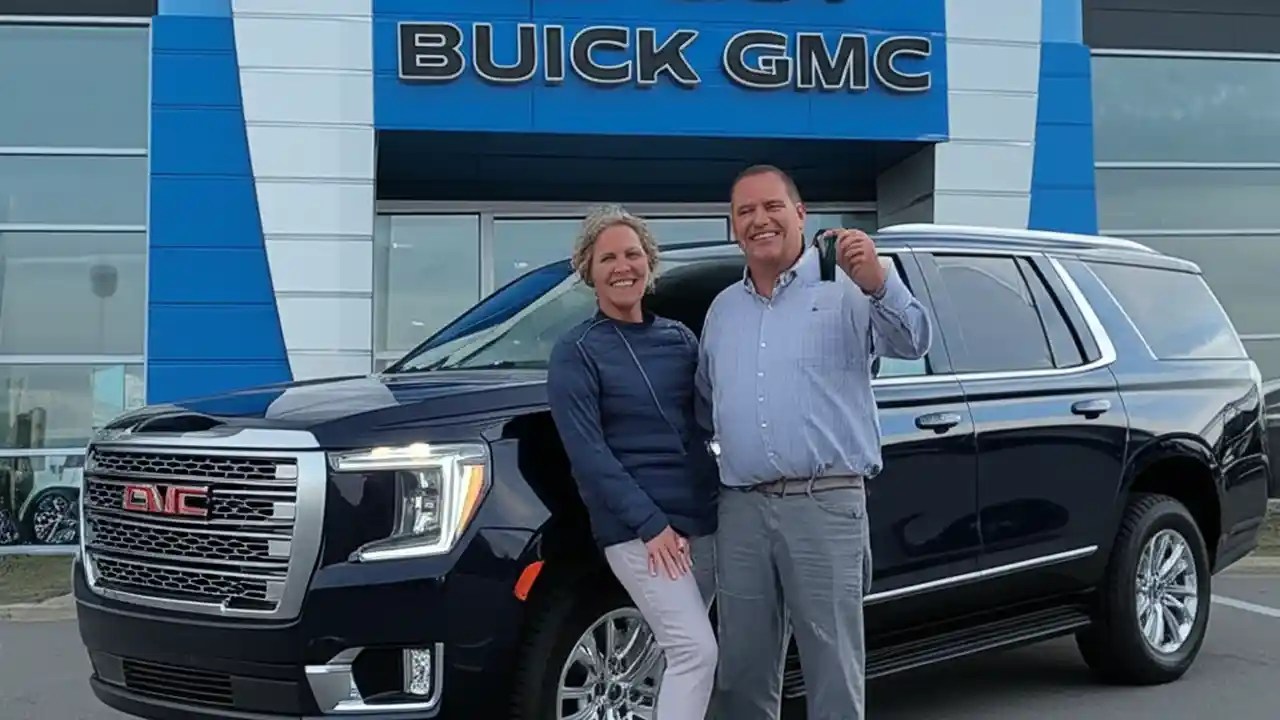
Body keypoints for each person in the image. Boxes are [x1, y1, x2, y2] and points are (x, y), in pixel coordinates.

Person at [696, 165, 932, 719]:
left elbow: (914, 338)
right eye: (745, 212)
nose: (759, 220)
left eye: (772, 206)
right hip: (742, 509)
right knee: (742, 672)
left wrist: (878, 280)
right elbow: (709, 405)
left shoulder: (849, 287)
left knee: (832, 669)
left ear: (801, 214)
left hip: (824, 504)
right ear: (733, 227)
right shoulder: (722, 311)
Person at [546, 204, 720, 720]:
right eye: (607, 259)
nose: (623, 266)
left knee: (674, 654)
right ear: (588, 271)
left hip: (703, 524)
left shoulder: (680, 338)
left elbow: (705, 427)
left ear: (649, 262)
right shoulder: (576, 351)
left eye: (632, 253)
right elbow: (588, 455)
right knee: (696, 651)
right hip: (640, 533)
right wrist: (652, 527)